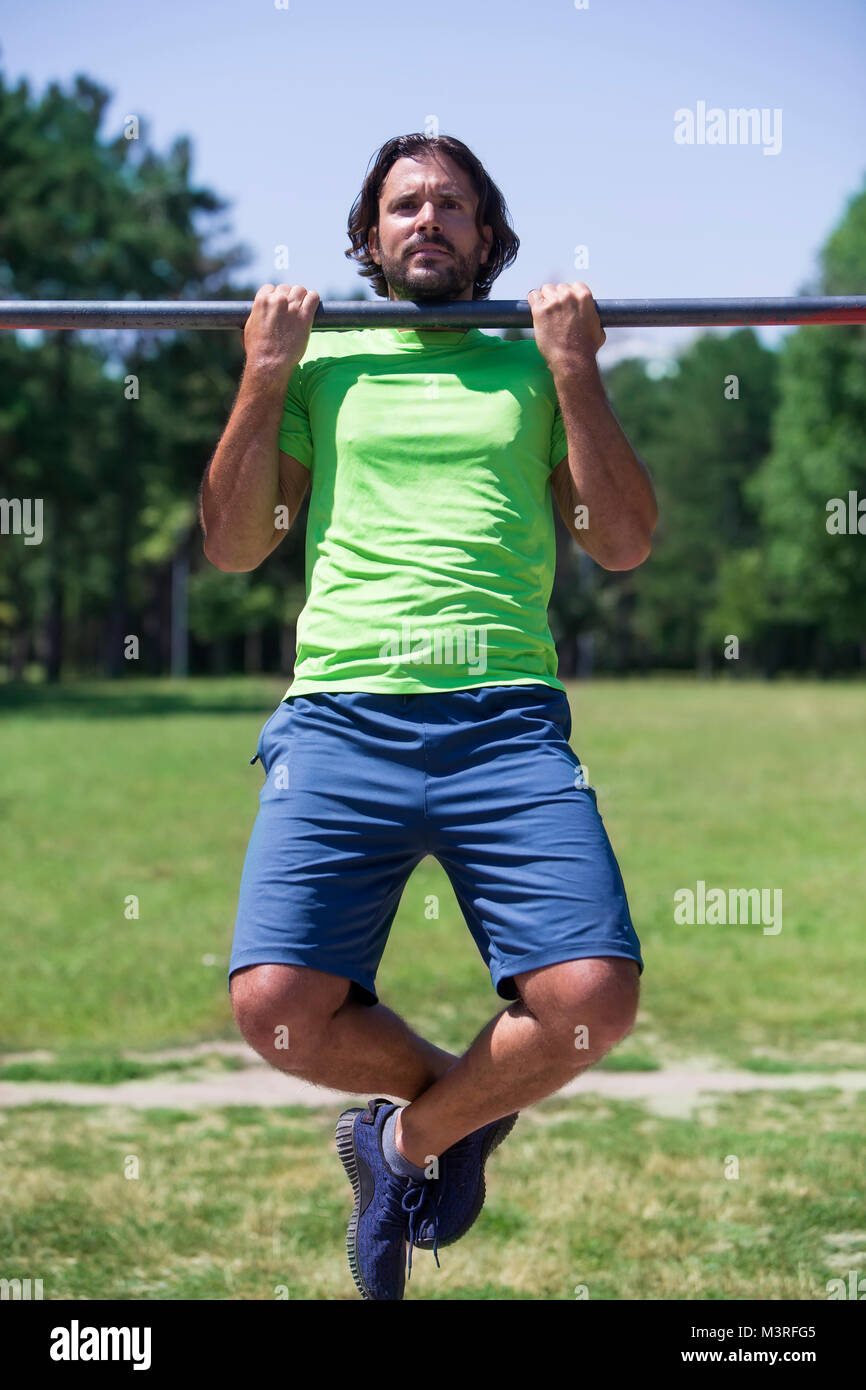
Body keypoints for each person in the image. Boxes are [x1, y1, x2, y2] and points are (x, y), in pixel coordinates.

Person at [199, 132, 657, 1301]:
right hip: (340, 717)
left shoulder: (531, 364)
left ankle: (401, 1142)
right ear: (368, 240)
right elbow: (236, 545)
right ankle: (452, 1109)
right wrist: (261, 372)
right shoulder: (321, 364)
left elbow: (623, 543)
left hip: (503, 719)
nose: (428, 221)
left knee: (589, 1002)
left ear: (491, 241)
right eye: (404, 205)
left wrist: (575, 371)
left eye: (454, 206)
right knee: (275, 1008)